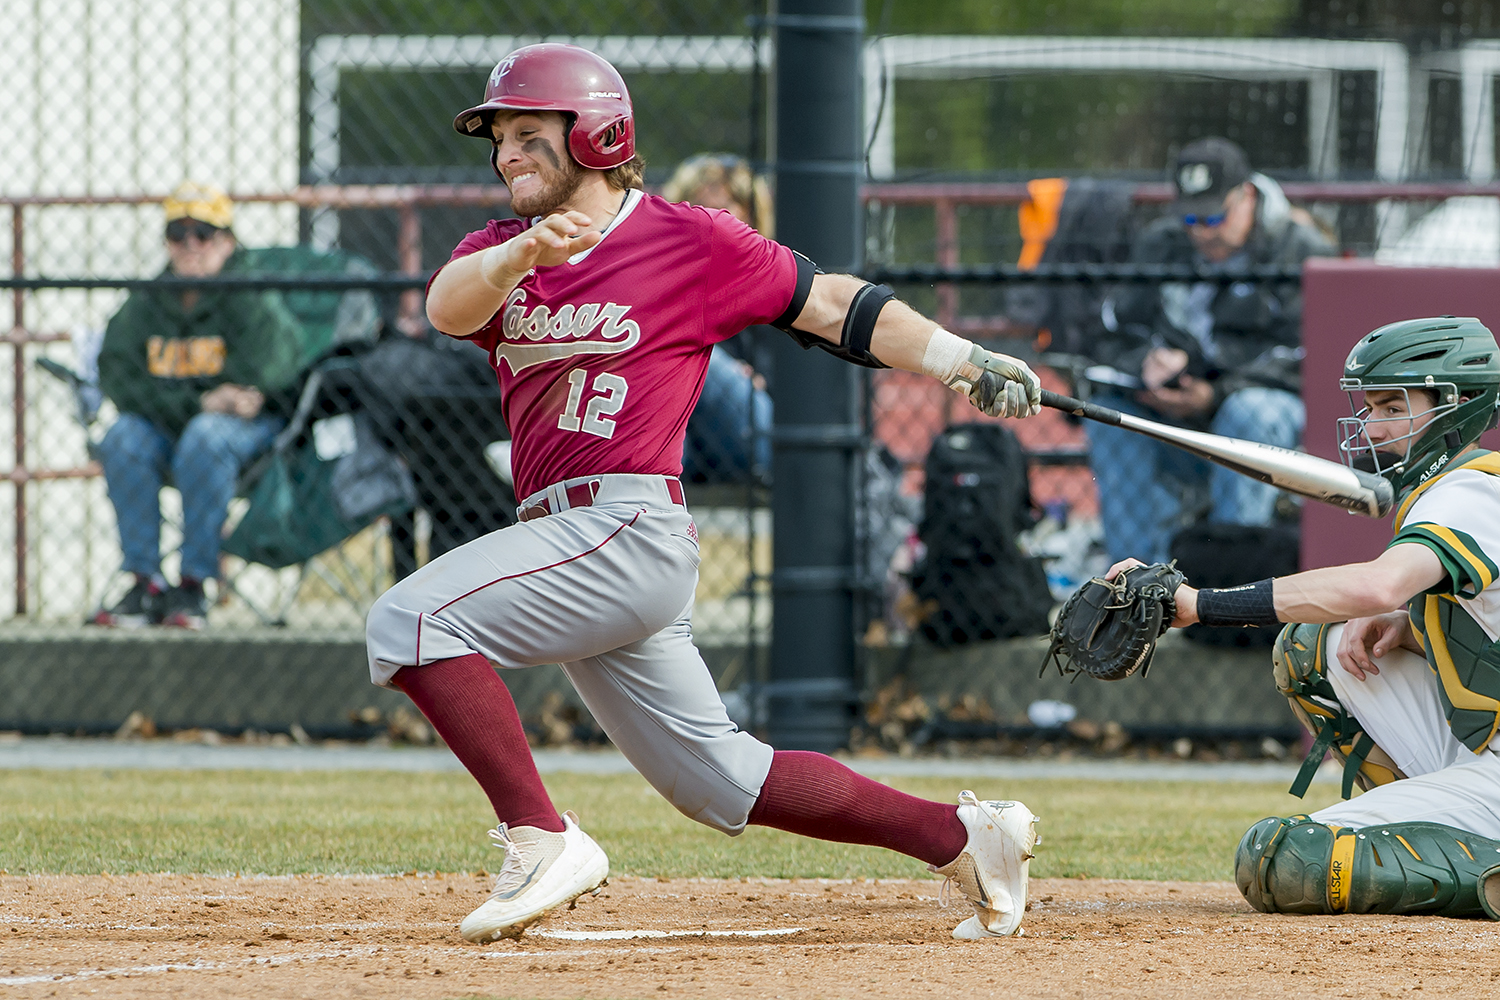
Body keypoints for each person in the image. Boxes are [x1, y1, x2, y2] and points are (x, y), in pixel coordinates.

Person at [365, 42, 1046, 943]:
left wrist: (962, 361)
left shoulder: (688, 238)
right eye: (499, 141)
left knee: (410, 621)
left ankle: (540, 838)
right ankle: (965, 837)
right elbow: (445, 309)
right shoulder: (499, 251)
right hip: (566, 538)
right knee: (721, 782)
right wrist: (522, 254)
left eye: (530, 135)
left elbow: (834, 303)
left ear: (598, 135)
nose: (507, 157)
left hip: (626, 524)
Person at [1111, 315, 1500, 919]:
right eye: (1369, 406)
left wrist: (1201, 605)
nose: (1372, 424)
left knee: (1285, 858)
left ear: (1461, 405)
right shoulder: (1456, 491)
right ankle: (1435, 812)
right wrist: (1414, 628)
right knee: (1318, 647)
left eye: (1393, 404)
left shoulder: (1473, 491)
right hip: (1486, 753)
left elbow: (1377, 584)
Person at [1086, 137, 1335, 565]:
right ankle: (1136, 587)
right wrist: (1146, 363)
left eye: (1215, 215)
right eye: (1190, 216)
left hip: (1275, 429)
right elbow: (1112, 333)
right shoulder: (1161, 244)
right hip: (1180, 417)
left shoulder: (1302, 250)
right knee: (1110, 415)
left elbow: (1308, 358)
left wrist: (1214, 390)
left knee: (1249, 410)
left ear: (1248, 196)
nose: (1202, 229)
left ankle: (1230, 584)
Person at [91, 183, 303, 628]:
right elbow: (117, 374)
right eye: (177, 234)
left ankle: (193, 585)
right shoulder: (148, 301)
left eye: (203, 234)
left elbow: (265, 372)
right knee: (121, 437)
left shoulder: (251, 295)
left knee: (206, 437)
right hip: (172, 428)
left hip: (248, 435)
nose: (190, 246)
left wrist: (180, 398)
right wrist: (203, 398)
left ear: (227, 240)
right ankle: (144, 583)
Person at [661, 153, 775, 484]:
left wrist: (753, 377)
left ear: (750, 215)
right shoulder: (665, 281)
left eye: (724, 208)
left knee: (700, 361)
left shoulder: (771, 274)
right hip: (686, 446)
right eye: (697, 207)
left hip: (752, 433)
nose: (709, 219)